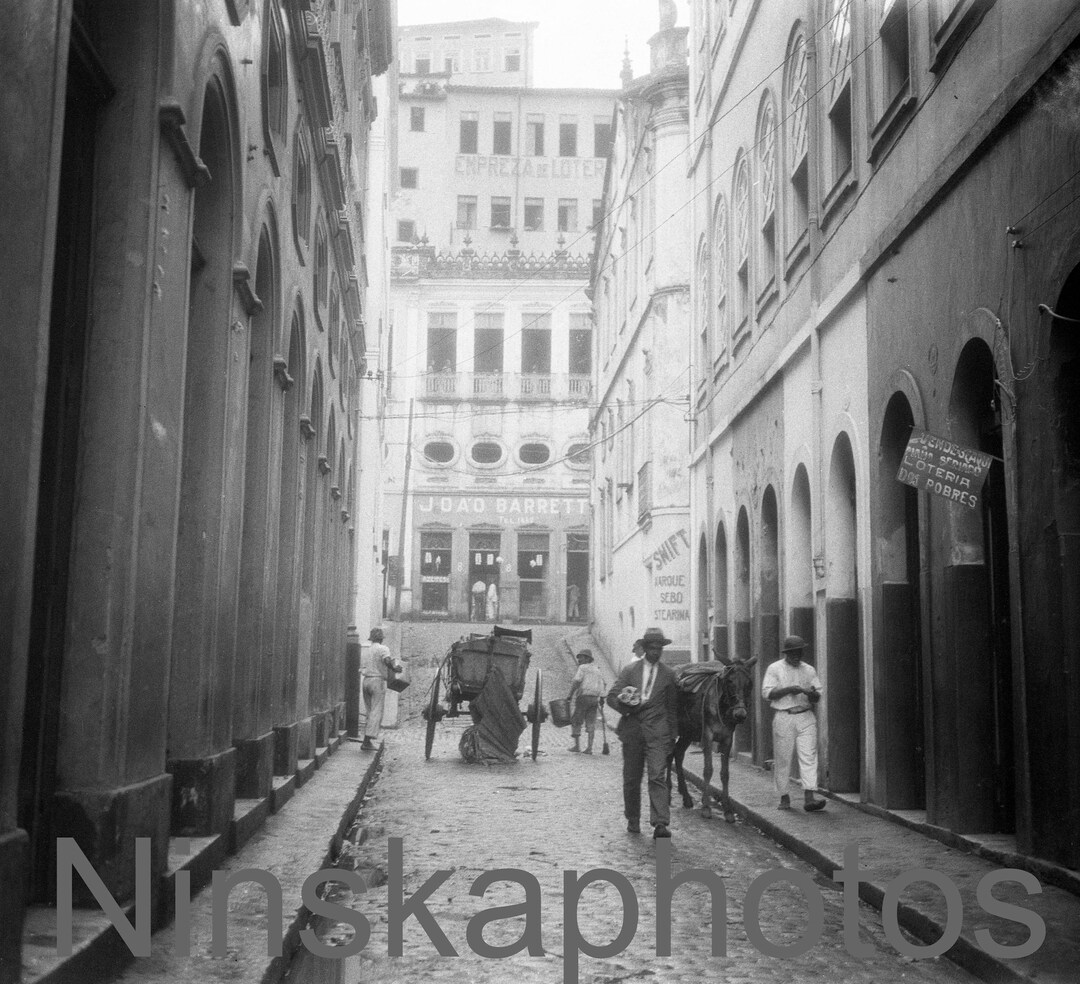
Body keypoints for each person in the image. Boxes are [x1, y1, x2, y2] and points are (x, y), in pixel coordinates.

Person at [606, 627, 679, 838]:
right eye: (653, 648)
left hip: (658, 733)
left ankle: (660, 823)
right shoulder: (630, 671)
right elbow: (612, 696)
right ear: (645, 648)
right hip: (633, 732)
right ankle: (633, 818)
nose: (657, 652)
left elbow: (672, 708)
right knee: (631, 778)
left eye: (660, 648)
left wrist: (673, 735)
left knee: (657, 776)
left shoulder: (669, 674)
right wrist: (627, 707)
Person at [762, 635, 826, 812]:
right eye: (793, 653)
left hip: (806, 715)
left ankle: (809, 797)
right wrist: (790, 689)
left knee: (809, 755)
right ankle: (784, 797)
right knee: (783, 758)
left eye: (799, 652)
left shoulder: (809, 670)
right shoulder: (774, 669)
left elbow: (817, 695)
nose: (797, 656)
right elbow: (767, 694)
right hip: (784, 715)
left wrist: (811, 694)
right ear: (786, 653)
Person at [360, 628, 401, 750]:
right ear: (381, 638)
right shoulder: (383, 649)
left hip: (366, 680)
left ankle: (366, 740)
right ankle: (366, 742)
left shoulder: (367, 650)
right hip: (377, 681)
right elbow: (387, 660)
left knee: (369, 711)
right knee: (376, 711)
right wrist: (395, 668)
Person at [567, 649, 606, 754]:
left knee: (576, 720)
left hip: (583, 697)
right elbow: (602, 684)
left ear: (587, 659)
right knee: (590, 722)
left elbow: (576, 681)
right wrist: (602, 697)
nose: (579, 659)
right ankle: (589, 748)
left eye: (581, 657)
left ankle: (577, 746)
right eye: (579, 657)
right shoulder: (597, 670)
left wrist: (570, 695)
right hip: (594, 699)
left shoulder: (582, 668)